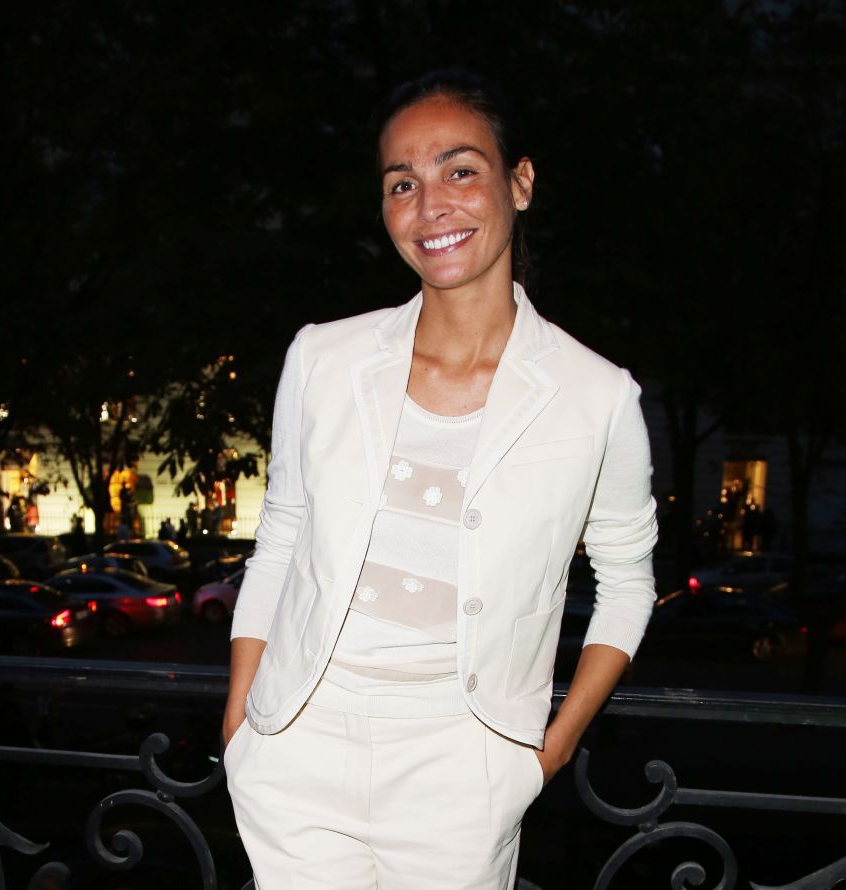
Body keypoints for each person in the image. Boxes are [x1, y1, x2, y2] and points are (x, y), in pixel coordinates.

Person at [222, 69, 657, 889]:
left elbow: (627, 582)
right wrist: (242, 717)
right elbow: (280, 536)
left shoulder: (596, 396)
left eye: (460, 170)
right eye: (402, 184)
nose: (431, 206)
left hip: (464, 769)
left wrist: (546, 752)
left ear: (519, 183)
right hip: (296, 748)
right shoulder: (323, 357)